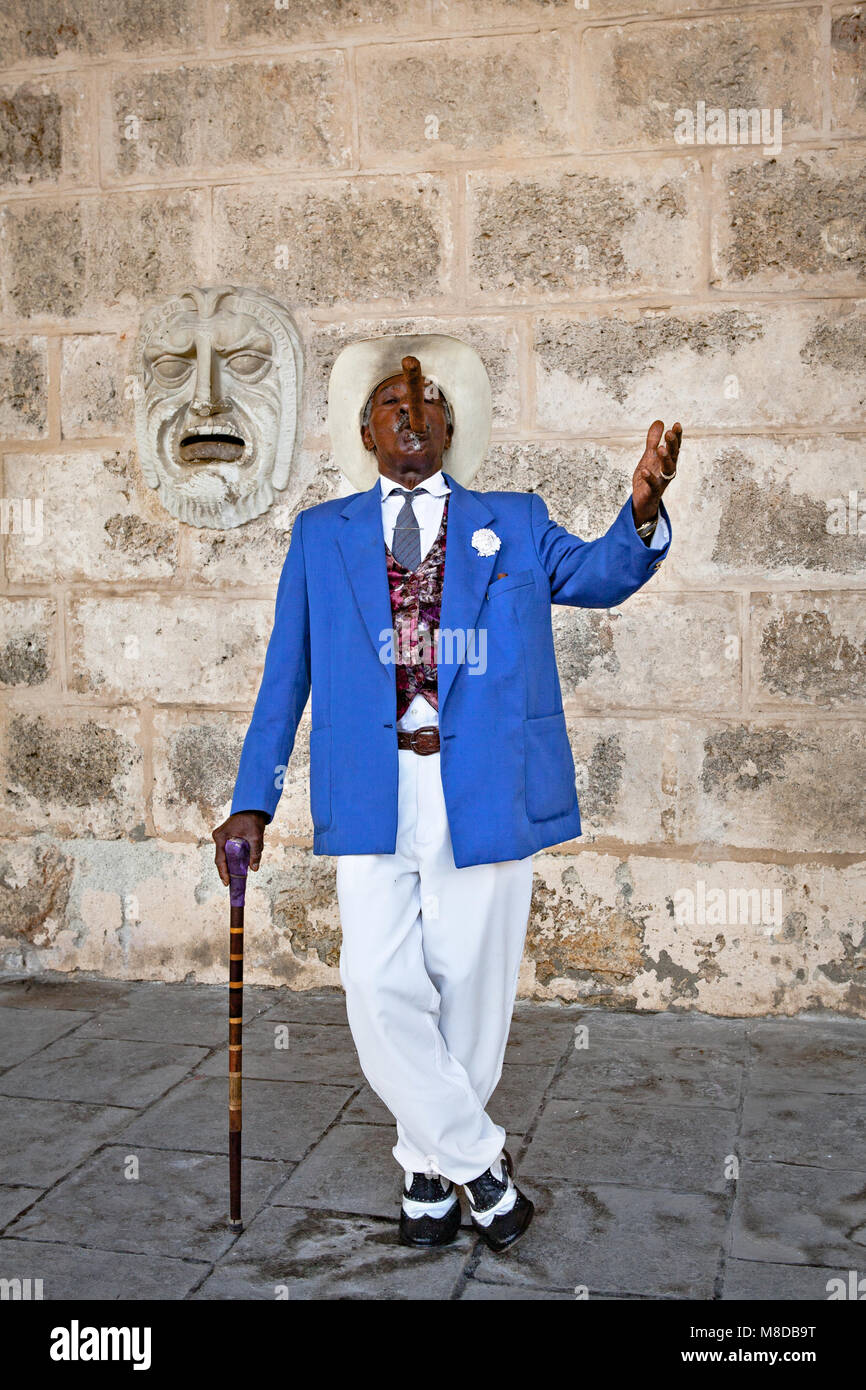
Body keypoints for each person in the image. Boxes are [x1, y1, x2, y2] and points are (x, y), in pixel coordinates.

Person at [213, 333, 681, 1253]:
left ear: (450, 427)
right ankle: (480, 1167)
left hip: (483, 784)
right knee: (376, 985)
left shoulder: (511, 518)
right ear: (367, 431)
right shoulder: (321, 536)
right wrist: (253, 798)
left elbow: (597, 575)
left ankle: (428, 1174)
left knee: (470, 986)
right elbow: (285, 678)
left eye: (427, 407)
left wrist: (640, 511)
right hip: (371, 787)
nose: (412, 416)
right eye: (393, 405)